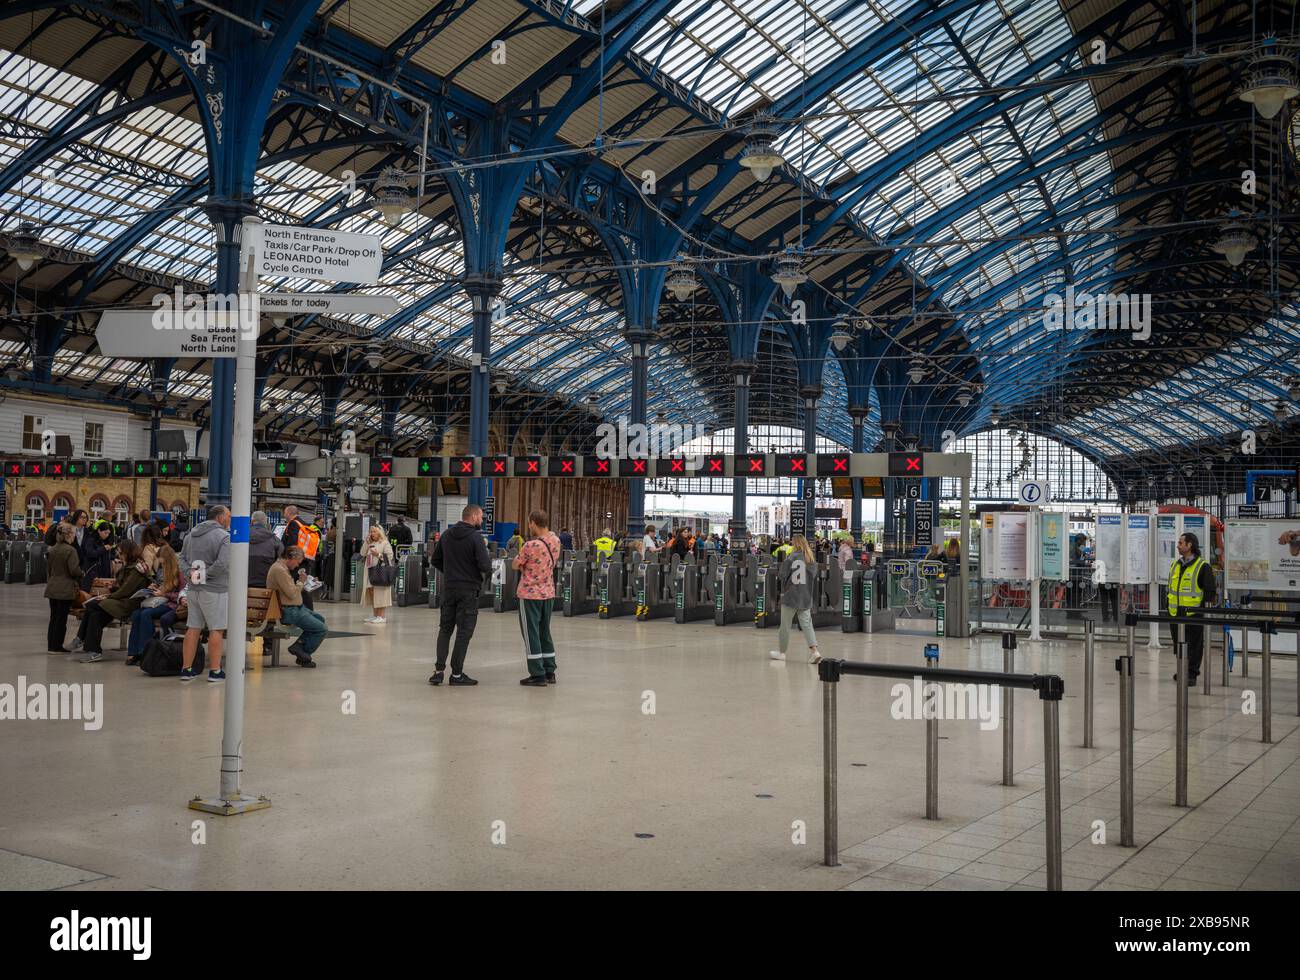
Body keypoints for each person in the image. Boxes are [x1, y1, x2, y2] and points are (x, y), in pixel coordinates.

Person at [429, 504, 491, 687]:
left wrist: (450, 573)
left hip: (449, 589)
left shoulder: (447, 535)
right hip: (468, 591)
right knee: (464, 632)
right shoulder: (475, 538)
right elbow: (485, 566)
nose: (482, 520)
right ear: (472, 517)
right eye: (480, 517)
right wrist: (477, 576)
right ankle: (456, 674)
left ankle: (439, 671)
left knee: (445, 629)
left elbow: (435, 560)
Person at [178, 505, 231, 682]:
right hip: (215, 589)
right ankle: (215, 670)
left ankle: (187, 669)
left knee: (193, 627)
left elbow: (182, 559)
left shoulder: (191, 534)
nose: (229, 520)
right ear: (220, 517)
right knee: (216, 629)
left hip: (193, 589)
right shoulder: (224, 537)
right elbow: (223, 564)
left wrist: (191, 575)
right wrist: (205, 575)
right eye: (228, 516)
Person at [78, 540, 152, 663]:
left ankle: (81, 638)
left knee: (92, 605)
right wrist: (112, 588)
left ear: (128, 552)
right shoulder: (128, 566)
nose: (119, 555)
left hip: (128, 603)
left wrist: (108, 596)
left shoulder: (136, 569)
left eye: (121, 552)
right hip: (120, 601)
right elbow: (122, 588)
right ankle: (93, 650)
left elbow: (126, 590)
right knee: (96, 616)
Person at [514, 509, 562, 686]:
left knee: (530, 633)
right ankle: (550, 670)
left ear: (533, 522)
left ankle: (537, 674)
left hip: (529, 594)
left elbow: (515, 564)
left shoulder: (530, 545)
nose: (529, 526)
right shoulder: (556, 541)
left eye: (529, 523)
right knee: (544, 631)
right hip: (548, 593)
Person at [268, 546, 327, 667]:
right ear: (292, 557)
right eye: (298, 562)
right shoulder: (279, 570)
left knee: (319, 620)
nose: (297, 565)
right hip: (288, 610)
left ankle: (300, 649)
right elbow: (292, 593)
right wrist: (301, 582)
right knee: (321, 628)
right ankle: (302, 652)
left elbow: (289, 590)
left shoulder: (281, 568)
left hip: (293, 607)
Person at [1169, 531, 1215, 685]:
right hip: (1175, 612)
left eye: (1181, 543)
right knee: (1179, 643)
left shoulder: (1203, 566)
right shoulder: (1176, 565)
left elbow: (1209, 592)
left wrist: (1202, 610)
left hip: (1193, 613)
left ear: (1190, 545)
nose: (1178, 545)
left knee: (1194, 645)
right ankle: (1183, 669)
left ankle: (1192, 674)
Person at [125, 543, 182, 666]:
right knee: (136, 614)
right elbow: (159, 583)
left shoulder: (179, 572)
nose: (161, 564)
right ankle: (133, 652)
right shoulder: (161, 569)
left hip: (170, 604)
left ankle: (144, 651)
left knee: (146, 614)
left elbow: (181, 594)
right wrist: (153, 587)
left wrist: (164, 594)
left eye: (163, 561)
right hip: (159, 601)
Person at [770, 534, 821, 665]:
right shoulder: (811, 559)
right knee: (807, 624)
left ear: (795, 543)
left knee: (785, 626)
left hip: (791, 595)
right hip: (805, 596)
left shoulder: (791, 557)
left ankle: (782, 653)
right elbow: (813, 576)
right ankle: (815, 652)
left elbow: (782, 574)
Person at [44, 523, 83, 654]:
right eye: (73, 534)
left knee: (53, 617)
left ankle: (51, 646)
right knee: (61, 619)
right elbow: (73, 570)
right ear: (69, 535)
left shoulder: (52, 549)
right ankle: (57, 646)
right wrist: (81, 573)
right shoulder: (70, 550)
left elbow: (49, 569)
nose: (75, 536)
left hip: (52, 587)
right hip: (65, 589)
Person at [362, 524, 395, 624]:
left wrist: (378, 554)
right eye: (371, 532)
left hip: (380, 571)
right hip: (370, 571)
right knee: (372, 592)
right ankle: (375, 614)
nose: (372, 534)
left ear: (379, 533)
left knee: (380, 593)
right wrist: (366, 543)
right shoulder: (370, 542)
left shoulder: (385, 543)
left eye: (374, 531)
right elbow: (362, 553)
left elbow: (389, 556)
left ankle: (381, 616)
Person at [247, 510, 283, 588]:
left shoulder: (241, 538)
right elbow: (282, 561)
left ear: (252, 521)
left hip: (243, 582)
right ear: (266, 523)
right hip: (265, 584)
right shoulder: (275, 540)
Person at [80, 519, 115, 590]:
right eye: (105, 533)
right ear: (99, 530)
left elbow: (108, 555)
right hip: (93, 571)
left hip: (104, 571)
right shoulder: (91, 539)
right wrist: (103, 549)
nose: (107, 535)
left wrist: (113, 558)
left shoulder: (105, 541)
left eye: (108, 533)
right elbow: (90, 553)